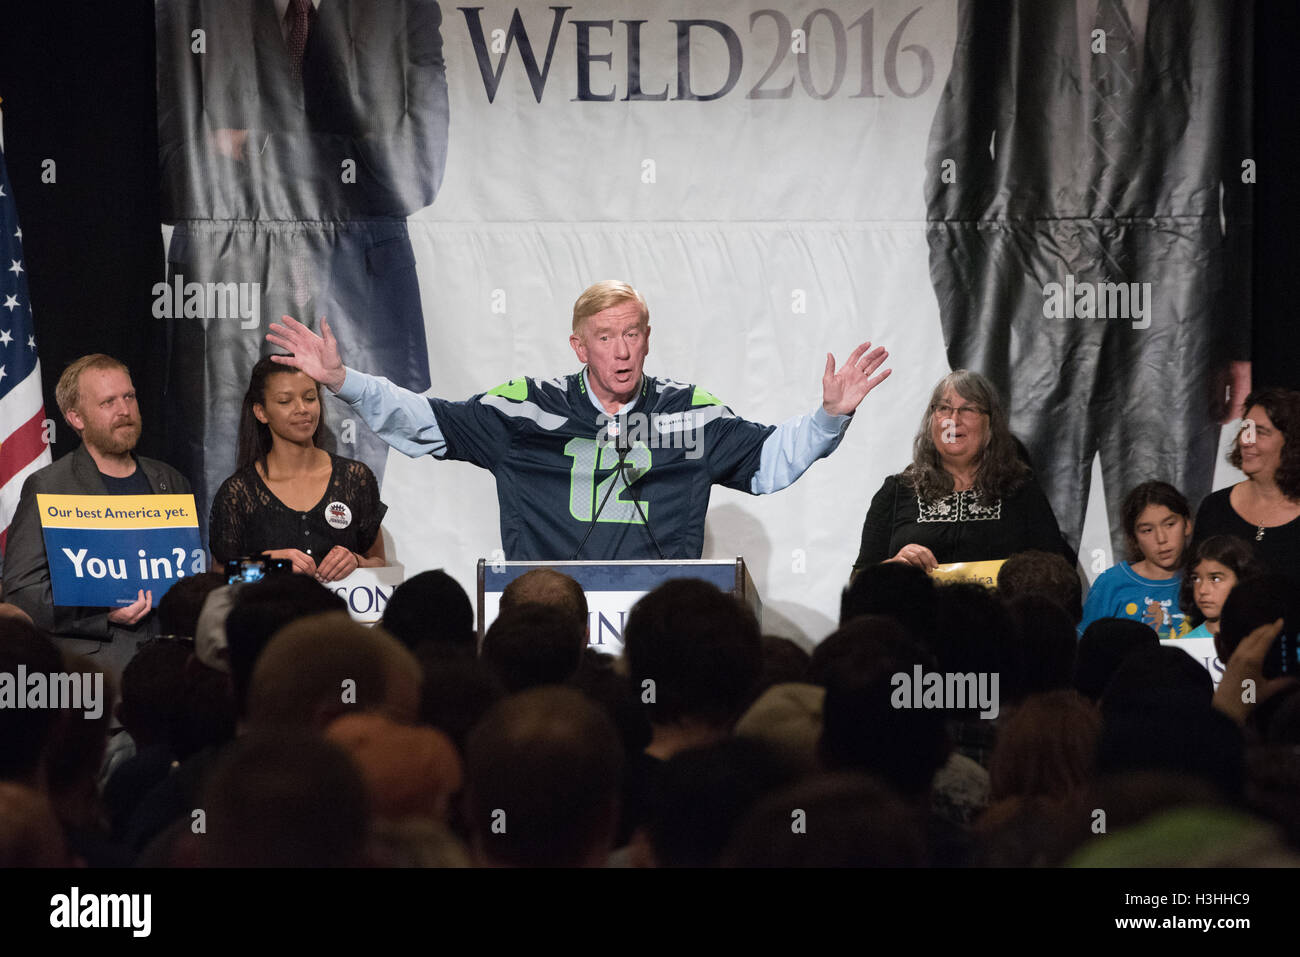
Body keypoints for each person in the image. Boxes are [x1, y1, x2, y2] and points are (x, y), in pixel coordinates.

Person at [924, 1, 1252, 560]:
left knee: (1165, 541)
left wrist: (1239, 339)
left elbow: (1246, 166)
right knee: (1020, 550)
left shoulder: (1213, 14)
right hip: (1034, 310)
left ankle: (1161, 649)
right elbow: (959, 152)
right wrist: (978, 328)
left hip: (1172, 311)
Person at [266, 280, 892, 560]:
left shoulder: (689, 414)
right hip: (548, 621)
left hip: (655, 624)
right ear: (578, 346)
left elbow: (769, 462)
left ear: (648, 340)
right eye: (605, 337)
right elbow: (427, 421)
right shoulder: (525, 408)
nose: (620, 351)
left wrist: (829, 417)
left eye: (632, 335)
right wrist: (345, 382)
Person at [156, 0, 449, 519]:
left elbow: (415, 168)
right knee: (224, 523)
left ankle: (336, 605)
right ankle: (236, 603)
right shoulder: (193, 9)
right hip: (224, 300)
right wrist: (348, 151)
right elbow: (173, 172)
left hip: (359, 300)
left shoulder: (398, 8)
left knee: (347, 531)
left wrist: (259, 147)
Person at [2, 356, 190, 678]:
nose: (124, 410)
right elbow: (21, 590)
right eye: (108, 402)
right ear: (76, 417)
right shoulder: (49, 487)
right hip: (97, 679)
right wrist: (102, 613)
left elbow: (189, 577)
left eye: (128, 396)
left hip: (172, 675)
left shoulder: (171, 481)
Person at [852, 370, 1070, 576]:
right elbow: (858, 583)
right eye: (944, 408)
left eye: (968, 409)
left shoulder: (1020, 491)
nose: (953, 420)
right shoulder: (897, 491)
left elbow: (1056, 576)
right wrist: (890, 570)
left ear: (990, 424)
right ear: (931, 421)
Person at [208, 357, 386, 582]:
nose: (302, 409)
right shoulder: (238, 492)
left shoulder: (355, 478)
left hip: (339, 616)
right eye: (285, 401)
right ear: (261, 412)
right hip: (272, 616)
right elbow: (220, 574)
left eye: (310, 398)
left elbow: (379, 563)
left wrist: (357, 561)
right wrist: (267, 566)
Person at [1192, 388, 1300, 577]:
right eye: (1245, 428)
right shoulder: (1215, 507)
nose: (1245, 440)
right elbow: (1194, 584)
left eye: (1261, 432)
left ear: (1291, 443)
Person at [1078, 481, 1194, 641]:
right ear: (1134, 538)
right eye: (1147, 530)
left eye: (1169, 524)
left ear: (1187, 525)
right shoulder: (1112, 583)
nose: (1161, 538)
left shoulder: (1201, 581)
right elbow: (1085, 647)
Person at [1179, 535, 1265, 640]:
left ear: (1242, 582)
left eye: (1215, 579)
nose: (1202, 590)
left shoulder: (1263, 641)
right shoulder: (1187, 645)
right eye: (1196, 578)